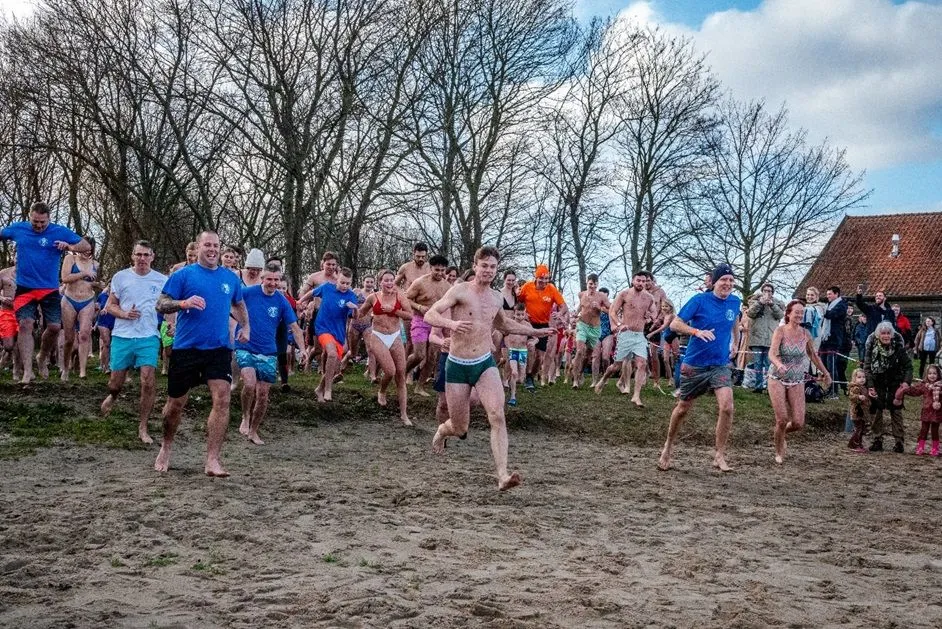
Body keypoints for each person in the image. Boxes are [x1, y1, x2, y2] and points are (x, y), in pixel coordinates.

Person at [423, 246, 553, 491]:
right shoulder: (460, 290)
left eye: (493, 267)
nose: (488, 270)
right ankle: (441, 431)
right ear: (475, 266)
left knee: (497, 415)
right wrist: (451, 323)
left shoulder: (495, 298)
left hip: (484, 363)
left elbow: (504, 324)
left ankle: (502, 475)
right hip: (458, 365)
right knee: (459, 427)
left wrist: (536, 331)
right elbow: (430, 314)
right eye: (484, 266)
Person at [154, 231, 249, 477]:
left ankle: (212, 460)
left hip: (218, 349)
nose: (212, 249)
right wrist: (182, 303)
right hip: (187, 348)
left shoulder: (229, 278)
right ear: (198, 247)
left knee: (223, 399)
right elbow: (161, 303)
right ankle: (166, 447)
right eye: (208, 245)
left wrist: (246, 326)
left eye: (216, 245)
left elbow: (238, 303)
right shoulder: (183, 275)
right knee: (175, 405)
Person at [658, 263, 741, 473]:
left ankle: (719, 455)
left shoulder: (735, 302)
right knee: (683, 408)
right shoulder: (699, 300)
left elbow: (734, 322)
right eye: (723, 280)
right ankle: (668, 447)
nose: (728, 284)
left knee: (727, 407)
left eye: (731, 280)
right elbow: (675, 324)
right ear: (714, 282)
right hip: (695, 364)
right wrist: (696, 332)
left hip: (720, 364)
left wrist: (736, 342)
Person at [0, 201, 90, 384]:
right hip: (25, 288)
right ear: (30, 218)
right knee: (25, 324)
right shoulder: (18, 229)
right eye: (35, 222)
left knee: (55, 327)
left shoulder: (59, 231)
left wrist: (69, 246)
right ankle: (27, 371)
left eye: (43, 222)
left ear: (48, 219)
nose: (39, 226)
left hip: (49, 288)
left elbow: (85, 245)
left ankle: (42, 356)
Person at [100, 240, 168, 443]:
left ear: (152, 257)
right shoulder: (120, 277)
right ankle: (113, 395)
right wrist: (124, 314)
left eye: (146, 255)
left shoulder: (162, 280)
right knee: (115, 383)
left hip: (149, 336)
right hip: (123, 336)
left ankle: (143, 426)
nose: (142, 259)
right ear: (132, 256)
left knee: (148, 380)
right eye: (138, 254)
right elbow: (110, 305)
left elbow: (167, 306)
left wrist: (172, 323)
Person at [236, 264, 306, 444]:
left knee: (263, 394)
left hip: (268, 350)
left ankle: (254, 431)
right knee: (249, 384)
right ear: (262, 278)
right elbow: (230, 305)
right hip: (245, 345)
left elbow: (295, 328)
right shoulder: (248, 292)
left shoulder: (281, 301)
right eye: (269, 279)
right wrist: (239, 325)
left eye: (276, 280)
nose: (273, 283)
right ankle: (245, 416)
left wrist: (303, 349)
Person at [767, 300, 832, 464]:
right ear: (788, 314)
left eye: (802, 312)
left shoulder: (805, 333)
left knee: (798, 422)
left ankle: (781, 434)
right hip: (777, 378)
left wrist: (825, 373)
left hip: (797, 379)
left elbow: (813, 355)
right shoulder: (780, 331)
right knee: (782, 419)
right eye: (796, 312)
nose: (799, 315)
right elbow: (771, 354)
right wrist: (779, 364)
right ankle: (779, 451)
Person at [357, 269, 414, 424]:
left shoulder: (399, 296)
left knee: (401, 374)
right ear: (380, 282)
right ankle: (382, 391)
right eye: (386, 280)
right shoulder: (373, 297)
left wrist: (394, 311)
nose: (389, 283)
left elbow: (410, 315)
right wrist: (352, 309)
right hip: (378, 336)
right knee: (390, 371)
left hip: (395, 335)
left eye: (391, 280)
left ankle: (404, 414)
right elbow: (360, 313)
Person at [593, 271, 657, 407]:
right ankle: (604, 379)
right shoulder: (624, 294)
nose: (641, 283)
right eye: (638, 280)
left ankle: (636, 396)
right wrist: (619, 324)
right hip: (625, 334)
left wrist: (650, 318)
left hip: (639, 335)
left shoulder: (649, 297)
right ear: (633, 281)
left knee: (642, 363)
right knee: (616, 366)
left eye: (644, 281)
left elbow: (654, 312)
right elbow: (612, 311)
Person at [861, 320, 912, 453]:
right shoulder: (871, 348)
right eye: (883, 333)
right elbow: (867, 368)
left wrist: (906, 382)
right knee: (876, 411)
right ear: (878, 335)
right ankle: (877, 440)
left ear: (892, 335)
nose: (886, 336)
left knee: (896, 411)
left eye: (888, 333)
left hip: (895, 383)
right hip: (877, 383)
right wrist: (870, 385)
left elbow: (908, 367)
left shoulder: (899, 349)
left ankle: (899, 442)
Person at [310, 267, 358, 403]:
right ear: (337, 279)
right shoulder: (327, 287)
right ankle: (328, 389)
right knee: (331, 354)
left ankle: (319, 389)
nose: (345, 286)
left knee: (334, 365)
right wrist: (300, 301)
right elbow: (312, 293)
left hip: (339, 333)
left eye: (348, 283)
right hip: (323, 328)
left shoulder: (351, 296)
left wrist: (355, 309)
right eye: (342, 282)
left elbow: (354, 317)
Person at [517, 264, 568, 391]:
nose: (544, 281)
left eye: (546, 279)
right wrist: (523, 313)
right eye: (541, 278)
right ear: (536, 277)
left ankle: (530, 377)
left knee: (540, 356)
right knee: (531, 348)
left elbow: (563, 306)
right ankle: (526, 375)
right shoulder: (527, 287)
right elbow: (518, 301)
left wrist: (560, 314)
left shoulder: (551, 289)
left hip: (543, 325)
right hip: (528, 323)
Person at [405, 254, 450, 397]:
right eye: (437, 270)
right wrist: (419, 306)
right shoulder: (420, 282)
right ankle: (402, 373)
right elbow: (406, 299)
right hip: (420, 320)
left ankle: (420, 386)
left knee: (432, 357)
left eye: (442, 270)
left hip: (437, 323)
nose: (440, 273)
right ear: (430, 268)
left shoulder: (447, 286)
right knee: (419, 355)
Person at [59, 237, 101, 380]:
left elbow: (91, 282)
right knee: (69, 338)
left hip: (87, 300)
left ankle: (83, 371)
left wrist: (97, 284)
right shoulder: (70, 259)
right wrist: (83, 273)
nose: (86, 252)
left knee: (84, 335)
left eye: (89, 250)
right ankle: (65, 368)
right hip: (69, 300)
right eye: (84, 249)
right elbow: (65, 278)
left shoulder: (95, 264)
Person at [571, 273, 611, 388]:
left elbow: (612, 310)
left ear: (597, 284)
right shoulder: (581, 294)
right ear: (587, 283)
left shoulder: (601, 296)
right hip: (582, 325)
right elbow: (581, 306)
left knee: (587, 355)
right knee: (579, 351)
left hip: (595, 328)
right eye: (590, 284)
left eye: (595, 284)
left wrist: (600, 308)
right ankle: (575, 380)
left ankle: (580, 372)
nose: (593, 286)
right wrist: (575, 313)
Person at [894, 363, 942, 456]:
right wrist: (905, 389)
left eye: (934, 373)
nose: (932, 375)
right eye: (930, 373)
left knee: (935, 431)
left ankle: (935, 448)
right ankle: (920, 447)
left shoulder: (940, 386)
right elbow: (915, 391)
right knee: (923, 430)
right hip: (926, 411)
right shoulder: (924, 386)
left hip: (937, 412)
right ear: (926, 375)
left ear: (938, 375)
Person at [745, 283, 784, 394]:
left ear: (772, 293)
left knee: (769, 364)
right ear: (762, 291)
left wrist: (772, 305)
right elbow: (750, 314)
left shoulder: (778, 303)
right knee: (757, 363)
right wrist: (760, 303)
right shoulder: (754, 301)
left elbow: (780, 315)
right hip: (757, 337)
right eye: (765, 290)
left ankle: (768, 386)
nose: (767, 293)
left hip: (771, 337)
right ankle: (758, 386)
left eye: (769, 291)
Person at [819, 286, 848, 399]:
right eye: (827, 294)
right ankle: (828, 387)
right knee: (824, 364)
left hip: (834, 339)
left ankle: (834, 390)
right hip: (825, 339)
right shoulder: (828, 305)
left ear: (836, 294)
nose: (828, 296)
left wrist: (821, 309)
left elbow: (830, 315)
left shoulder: (841, 305)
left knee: (831, 365)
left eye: (830, 294)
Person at [503, 303, 530, 406]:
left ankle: (513, 382)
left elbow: (535, 337)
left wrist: (533, 342)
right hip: (513, 350)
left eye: (522, 314)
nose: (520, 317)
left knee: (521, 379)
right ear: (514, 314)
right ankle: (513, 397)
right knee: (514, 372)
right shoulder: (510, 324)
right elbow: (505, 335)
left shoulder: (527, 325)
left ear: (525, 314)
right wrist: (508, 345)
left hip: (523, 351)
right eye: (518, 314)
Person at [0, 262, 19, 378]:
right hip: (6, 312)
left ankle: (16, 371)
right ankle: (3, 361)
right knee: (8, 346)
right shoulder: (4, 273)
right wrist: (2, 298)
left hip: (23, 312)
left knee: (21, 343)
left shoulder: (29, 274)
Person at [846, 368, 871, 452]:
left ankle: (859, 443)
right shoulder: (855, 388)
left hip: (862, 412)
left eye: (863, 377)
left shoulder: (864, 388)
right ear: (854, 378)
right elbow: (851, 396)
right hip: (856, 412)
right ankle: (853, 444)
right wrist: (858, 397)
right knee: (858, 429)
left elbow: (867, 399)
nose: (862, 379)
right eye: (859, 377)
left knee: (862, 429)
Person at [801, 286, 825, 353]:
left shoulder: (819, 307)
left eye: (812, 295)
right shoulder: (804, 306)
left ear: (816, 297)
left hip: (814, 335)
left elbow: (814, 316)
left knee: (812, 354)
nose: (809, 297)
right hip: (802, 335)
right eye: (808, 295)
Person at [596, 288, 614, 376]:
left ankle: (606, 374)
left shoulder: (611, 305)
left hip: (608, 333)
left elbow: (614, 314)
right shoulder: (595, 305)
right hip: (596, 333)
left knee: (605, 357)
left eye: (605, 296)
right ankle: (595, 377)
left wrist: (602, 309)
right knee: (595, 356)